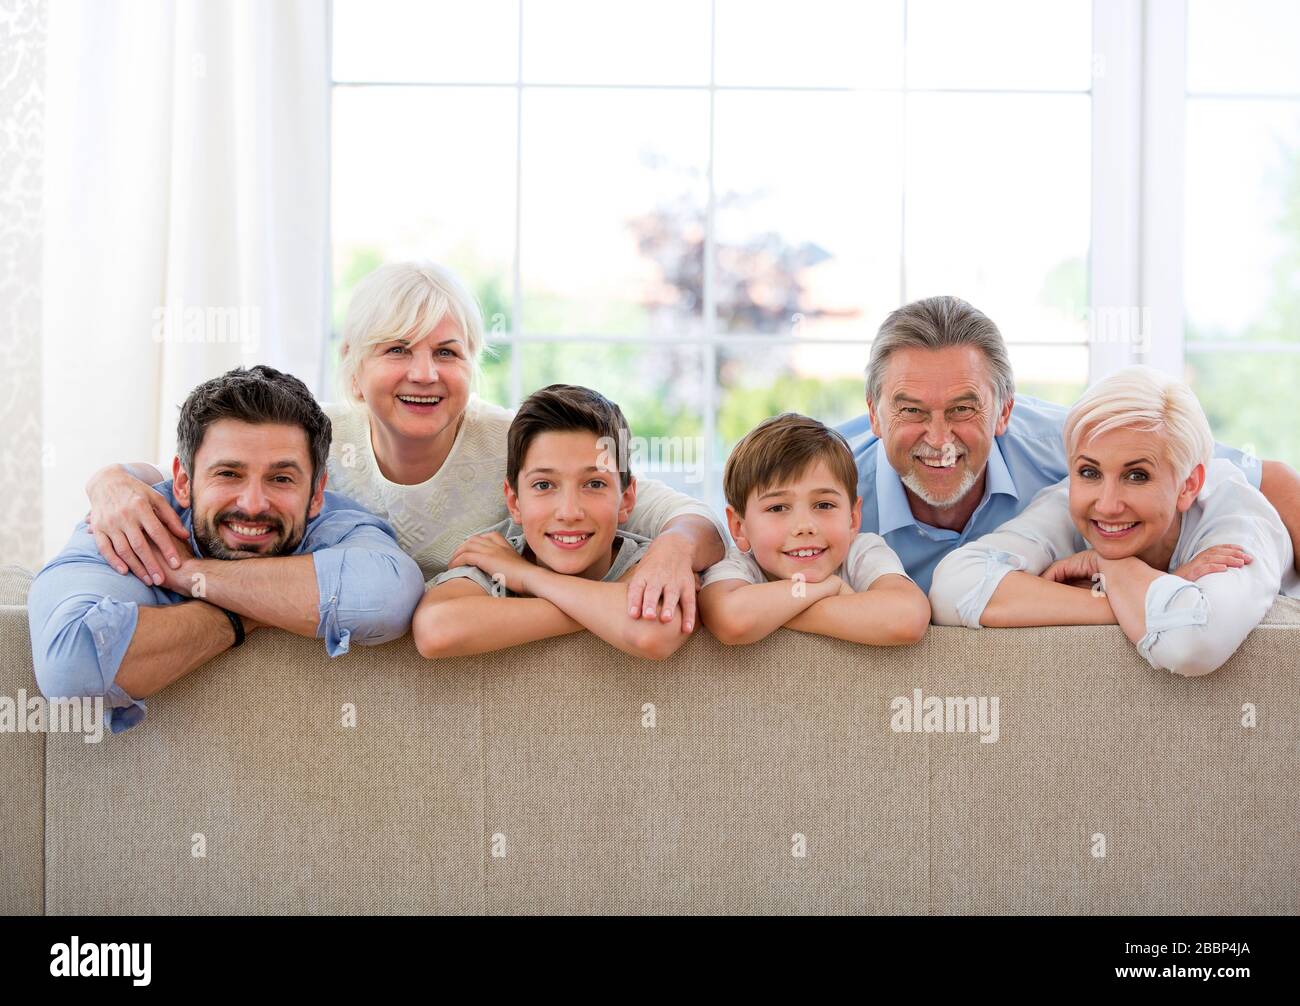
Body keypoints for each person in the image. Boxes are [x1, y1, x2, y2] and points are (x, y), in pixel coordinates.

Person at [81, 262, 725, 634]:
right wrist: (110, 480)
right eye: (397, 350)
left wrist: (671, 551)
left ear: (473, 367)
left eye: (447, 352)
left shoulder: (521, 449)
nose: (424, 373)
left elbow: (690, 519)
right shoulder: (306, 440)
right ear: (355, 368)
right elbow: (193, 477)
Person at [27, 366, 425, 733]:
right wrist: (244, 613)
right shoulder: (127, 528)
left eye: (281, 478)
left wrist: (185, 575)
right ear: (183, 481)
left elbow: (389, 597)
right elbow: (72, 670)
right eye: (228, 474)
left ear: (317, 493)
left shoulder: (333, 525)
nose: (253, 504)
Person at [834, 296, 1300, 592]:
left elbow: (1273, 481)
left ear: (1004, 412)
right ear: (874, 414)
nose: (939, 439)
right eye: (911, 410)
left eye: (962, 408)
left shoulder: (1075, 446)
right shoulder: (825, 479)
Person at [928, 366, 1300, 677]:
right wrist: (1117, 595)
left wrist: (1107, 567)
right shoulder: (1068, 501)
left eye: (1137, 476)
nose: (1106, 506)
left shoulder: (1241, 520)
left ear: (1189, 484)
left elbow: (1192, 644)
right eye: (1089, 471)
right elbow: (952, 586)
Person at [414, 384, 687, 660]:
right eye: (544, 485)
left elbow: (651, 633)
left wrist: (529, 577)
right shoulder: (494, 565)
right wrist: (608, 606)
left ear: (626, 500)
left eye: (594, 483)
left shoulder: (653, 566)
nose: (569, 512)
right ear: (514, 502)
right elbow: (435, 630)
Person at [699, 413, 929, 646]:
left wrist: (784, 609)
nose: (804, 527)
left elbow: (908, 618)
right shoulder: (738, 564)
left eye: (824, 505)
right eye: (778, 508)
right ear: (739, 528)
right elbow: (733, 620)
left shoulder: (861, 551)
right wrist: (829, 588)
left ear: (852, 518)